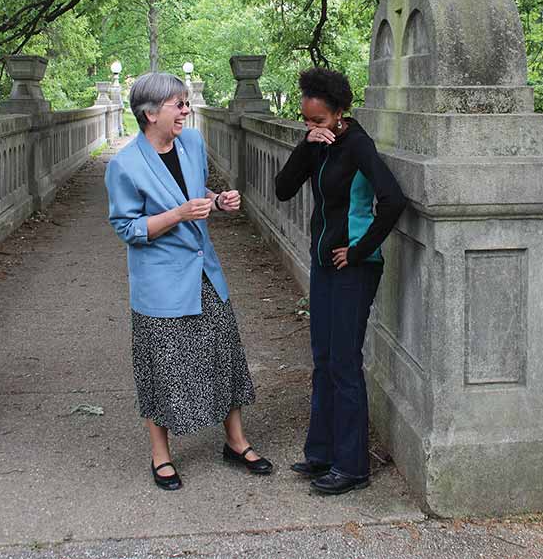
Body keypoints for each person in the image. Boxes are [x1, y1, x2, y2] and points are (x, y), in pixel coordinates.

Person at [105, 71, 272, 491]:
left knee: (223, 351)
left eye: (185, 102)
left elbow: (197, 197)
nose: (185, 110)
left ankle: (235, 442)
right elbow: (128, 228)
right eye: (176, 104)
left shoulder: (192, 142)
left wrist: (218, 201)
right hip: (160, 282)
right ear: (149, 113)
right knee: (161, 364)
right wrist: (179, 215)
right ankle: (161, 456)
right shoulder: (125, 164)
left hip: (205, 270)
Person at [275, 67, 405, 495]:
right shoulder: (316, 143)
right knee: (324, 359)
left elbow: (392, 200)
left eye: (320, 121)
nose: (313, 127)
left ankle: (352, 466)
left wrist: (360, 249)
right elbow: (282, 189)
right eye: (306, 120)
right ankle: (322, 453)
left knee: (345, 363)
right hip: (324, 266)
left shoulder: (358, 146)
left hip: (354, 269)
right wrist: (305, 143)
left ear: (340, 114)